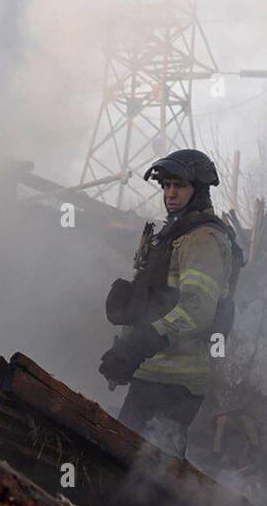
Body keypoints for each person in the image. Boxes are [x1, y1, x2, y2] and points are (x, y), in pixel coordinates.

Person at [98, 149, 241, 457]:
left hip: (177, 383)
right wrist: (124, 352)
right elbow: (149, 303)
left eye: (179, 186)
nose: (170, 194)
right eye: (165, 186)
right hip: (151, 374)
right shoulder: (172, 236)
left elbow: (197, 308)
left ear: (198, 190)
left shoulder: (202, 240)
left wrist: (140, 344)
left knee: (150, 473)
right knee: (125, 464)